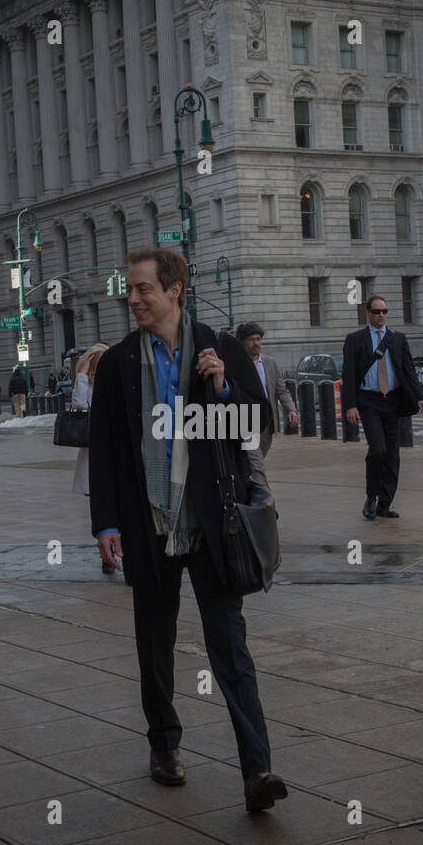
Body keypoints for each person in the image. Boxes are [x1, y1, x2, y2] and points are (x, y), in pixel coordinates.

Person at [89, 248, 285, 813]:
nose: (133, 298)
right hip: (147, 522)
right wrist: (104, 521)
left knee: (231, 647)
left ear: (175, 290)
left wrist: (222, 389)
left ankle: (258, 769)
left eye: (143, 289)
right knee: (155, 643)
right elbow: (105, 448)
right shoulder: (121, 361)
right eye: (130, 289)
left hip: (212, 524)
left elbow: (257, 423)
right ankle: (164, 747)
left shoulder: (218, 347)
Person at [340, 296, 423, 520]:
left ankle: (385, 504)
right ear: (367, 313)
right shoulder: (355, 339)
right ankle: (371, 497)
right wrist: (350, 405)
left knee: (392, 454)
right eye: (377, 311)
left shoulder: (397, 339)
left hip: (393, 400)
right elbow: (348, 375)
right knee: (377, 449)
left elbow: (408, 371)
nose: (381, 315)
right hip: (368, 401)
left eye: (384, 311)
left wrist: (420, 397)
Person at [234, 321, 298, 492]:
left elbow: (281, 389)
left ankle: (244, 492)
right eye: (251, 340)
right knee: (257, 465)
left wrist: (291, 409)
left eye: (259, 339)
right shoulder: (236, 364)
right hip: (245, 423)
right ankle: (266, 502)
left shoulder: (269, 362)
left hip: (266, 424)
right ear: (242, 342)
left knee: (253, 463)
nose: (256, 343)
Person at [71, 342, 113, 573]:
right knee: (99, 506)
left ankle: (114, 550)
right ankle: (106, 554)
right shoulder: (87, 384)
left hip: (116, 450)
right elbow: (79, 405)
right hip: (94, 452)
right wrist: (82, 376)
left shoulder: (115, 380)